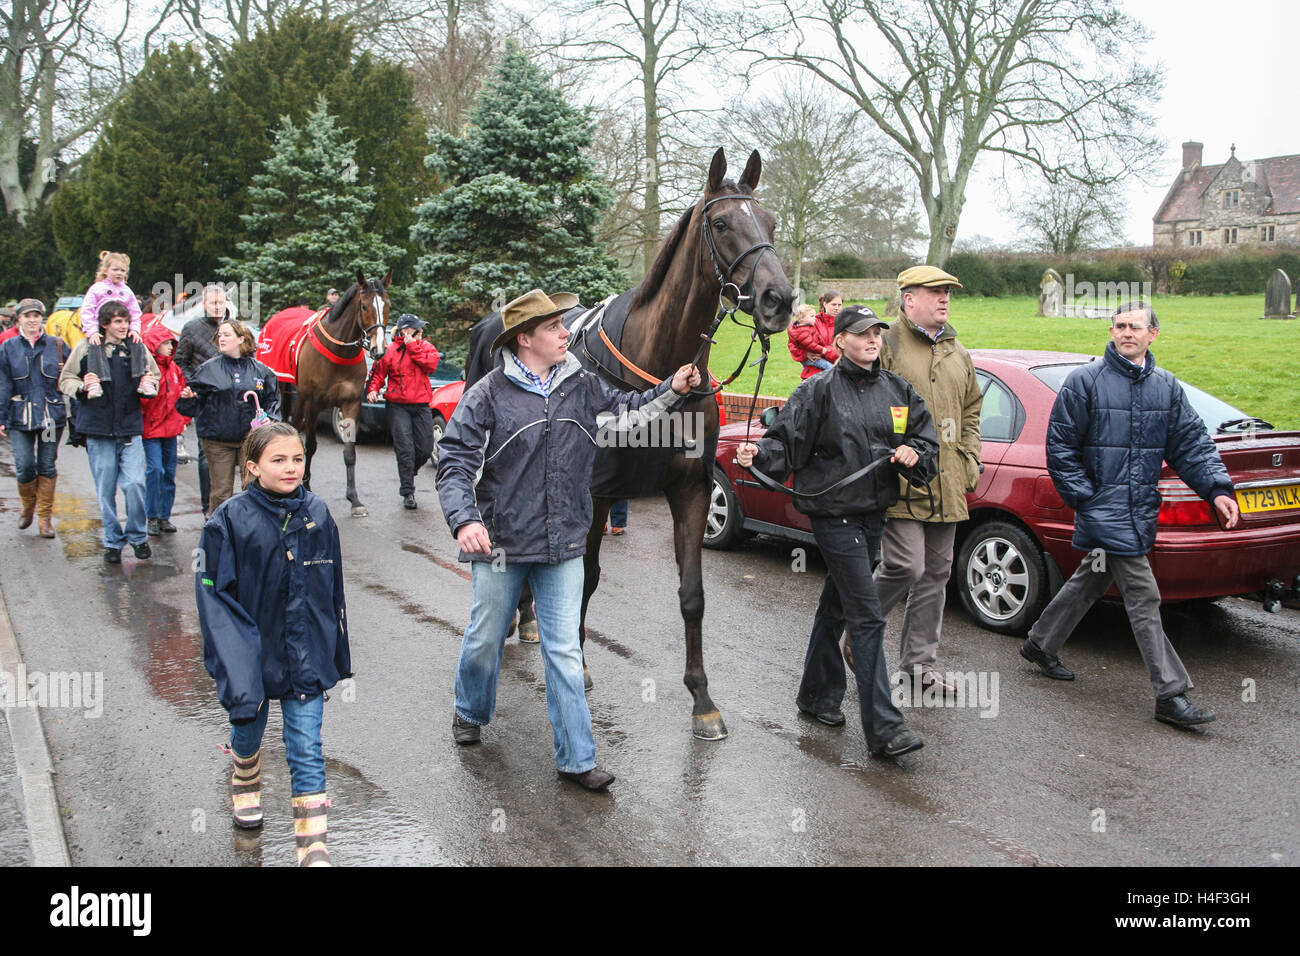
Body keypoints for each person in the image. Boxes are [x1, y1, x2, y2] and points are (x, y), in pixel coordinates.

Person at [437, 289, 700, 791]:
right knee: (486, 637)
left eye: (563, 326)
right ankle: (469, 709)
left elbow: (630, 413)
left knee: (563, 651)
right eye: (555, 328)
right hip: (501, 545)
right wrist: (465, 521)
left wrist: (673, 387)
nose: (566, 334)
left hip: (564, 544)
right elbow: (453, 463)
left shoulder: (582, 384)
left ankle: (577, 759)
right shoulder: (488, 394)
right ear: (525, 339)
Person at [1020, 302, 1238, 728]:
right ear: (1111, 331)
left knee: (1092, 576)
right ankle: (1170, 694)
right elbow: (1060, 450)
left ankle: (1040, 643)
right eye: (1119, 326)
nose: (1126, 333)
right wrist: (1088, 500)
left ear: (1153, 334)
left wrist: (1216, 490)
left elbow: (1191, 444)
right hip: (1106, 512)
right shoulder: (1085, 382)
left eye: (1135, 327)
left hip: (1138, 512)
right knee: (1144, 595)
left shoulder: (1166, 387)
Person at [734, 305, 938, 759]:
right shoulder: (817, 390)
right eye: (862, 333)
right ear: (841, 339)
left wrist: (913, 455)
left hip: (874, 515)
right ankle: (885, 728)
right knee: (866, 615)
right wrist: (758, 454)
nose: (872, 340)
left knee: (836, 607)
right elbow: (783, 441)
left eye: (876, 334)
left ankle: (816, 695)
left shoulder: (897, 389)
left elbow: (925, 441)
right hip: (833, 514)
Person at [196, 421, 351, 865]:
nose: (290, 468)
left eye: (298, 459)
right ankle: (245, 773)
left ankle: (313, 848)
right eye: (278, 460)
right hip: (252, 654)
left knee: (306, 745)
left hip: (306, 653)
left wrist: (334, 650)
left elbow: (331, 591)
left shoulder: (318, 513)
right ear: (252, 467)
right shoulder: (228, 519)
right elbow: (214, 596)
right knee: (248, 729)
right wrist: (232, 660)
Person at [867, 266, 983, 697]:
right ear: (907, 297)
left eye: (948, 292)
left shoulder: (958, 352)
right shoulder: (888, 345)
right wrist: (890, 452)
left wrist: (970, 457)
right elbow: (868, 404)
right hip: (901, 482)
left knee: (936, 572)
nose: (944, 299)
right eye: (934, 292)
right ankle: (858, 632)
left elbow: (972, 409)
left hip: (949, 480)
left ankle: (918, 666)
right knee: (904, 564)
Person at [59, 301, 160, 563]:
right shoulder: (86, 346)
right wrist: (82, 386)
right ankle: (113, 542)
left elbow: (155, 376)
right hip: (98, 429)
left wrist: (150, 382)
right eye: (117, 321)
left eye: (126, 320)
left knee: (136, 485)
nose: (124, 325)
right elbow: (65, 379)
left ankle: (137, 537)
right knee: (105, 491)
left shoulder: (137, 346)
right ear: (104, 324)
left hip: (129, 428)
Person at [176, 319, 280, 514]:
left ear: (241, 338)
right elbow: (189, 408)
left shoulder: (261, 371)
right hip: (218, 440)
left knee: (252, 489)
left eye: (226, 335)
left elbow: (273, 401)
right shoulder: (207, 369)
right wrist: (187, 399)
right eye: (219, 335)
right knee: (221, 492)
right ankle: (219, 530)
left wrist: (270, 419)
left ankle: (252, 530)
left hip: (250, 440)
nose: (221, 339)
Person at [0, 299, 68, 538]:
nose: (32, 320)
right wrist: (1, 416)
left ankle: (44, 519)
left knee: (47, 464)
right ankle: (28, 506)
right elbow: (3, 383)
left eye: (36, 316)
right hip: (19, 416)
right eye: (27, 316)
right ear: (18, 320)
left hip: (50, 417)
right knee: (24, 465)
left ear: (42, 319)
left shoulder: (56, 345)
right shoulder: (8, 347)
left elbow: (71, 377)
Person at [364, 313, 440, 509]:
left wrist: (412, 346)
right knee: (405, 448)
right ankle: (408, 491)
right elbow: (378, 374)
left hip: (421, 405)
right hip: (397, 406)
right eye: (417, 329)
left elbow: (430, 365)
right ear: (406, 330)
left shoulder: (425, 347)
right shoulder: (390, 351)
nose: (421, 332)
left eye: (421, 329)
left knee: (425, 448)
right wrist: (373, 389)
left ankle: (408, 471)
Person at [177, 284, 235, 515]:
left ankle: (233, 509)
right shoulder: (192, 329)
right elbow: (180, 360)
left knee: (237, 454)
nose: (217, 307)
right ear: (204, 304)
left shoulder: (234, 327)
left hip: (233, 400)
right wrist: (196, 384)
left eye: (221, 303)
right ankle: (208, 508)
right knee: (205, 455)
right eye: (213, 303)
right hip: (206, 400)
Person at [78, 251, 153, 398]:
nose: (119, 273)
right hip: (101, 327)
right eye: (115, 269)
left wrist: (135, 330)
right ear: (105, 270)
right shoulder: (97, 289)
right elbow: (87, 310)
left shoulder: (126, 291)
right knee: (95, 346)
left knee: (137, 344)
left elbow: (135, 312)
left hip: (124, 327)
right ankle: (96, 380)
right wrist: (92, 331)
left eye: (122, 270)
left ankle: (142, 377)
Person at [141, 324, 191, 535]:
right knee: (155, 470)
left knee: (169, 473)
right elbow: (142, 401)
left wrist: (184, 421)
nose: (170, 347)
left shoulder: (174, 370)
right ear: (154, 345)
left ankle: (164, 517)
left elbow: (180, 397)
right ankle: (152, 516)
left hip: (170, 430)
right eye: (166, 343)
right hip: (151, 430)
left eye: (171, 342)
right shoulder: (147, 369)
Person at [786, 304, 835, 374]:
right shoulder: (803, 332)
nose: (815, 318)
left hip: (806, 357)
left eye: (814, 316)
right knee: (829, 367)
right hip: (811, 357)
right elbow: (810, 345)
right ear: (802, 318)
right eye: (812, 316)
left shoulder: (802, 327)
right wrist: (822, 350)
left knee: (806, 370)